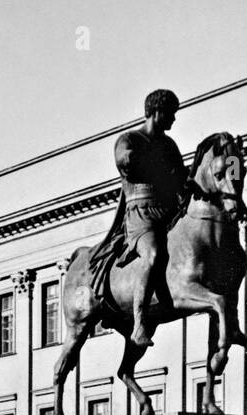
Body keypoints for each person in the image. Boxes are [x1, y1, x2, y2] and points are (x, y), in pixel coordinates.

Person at [91, 89, 198, 348]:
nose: (173, 120)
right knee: (152, 254)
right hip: (141, 214)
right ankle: (139, 324)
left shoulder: (169, 146)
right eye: (171, 114)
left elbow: (182, 178)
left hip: (168, 212)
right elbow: (124, 161)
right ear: (157, 111)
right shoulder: (130, 139)